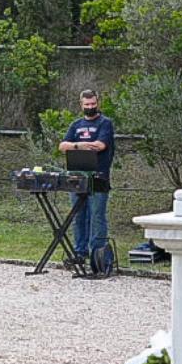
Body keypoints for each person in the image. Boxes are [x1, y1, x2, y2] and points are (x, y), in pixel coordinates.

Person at [56, 90, 116, 266]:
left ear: (98, 103)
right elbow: (63, 145)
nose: (90, 107)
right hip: (77, 177)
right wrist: (79, 145)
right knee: (78, 215)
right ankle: (79, 252)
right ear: (81, 104)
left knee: (97, 215)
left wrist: (81, 146)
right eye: (86, 104)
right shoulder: (76, 125)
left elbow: (100, 145)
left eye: (93, 104)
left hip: (99, 176)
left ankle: (97, 254)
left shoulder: (105, 123)